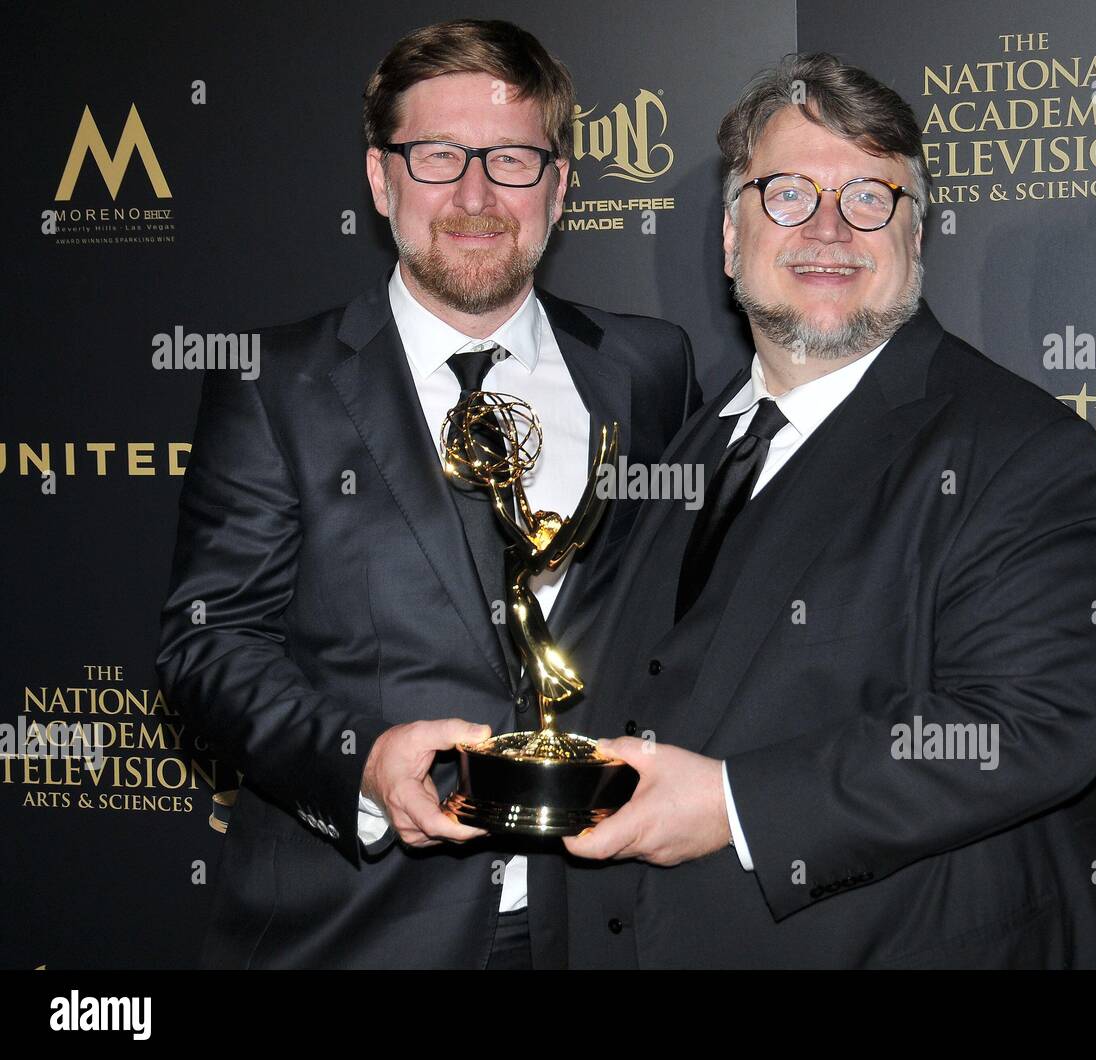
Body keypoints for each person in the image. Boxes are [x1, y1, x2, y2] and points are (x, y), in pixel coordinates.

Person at [530, 52, 1096, 968]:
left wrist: (738, 807)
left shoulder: (1020, 448)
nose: (828, 227)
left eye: (869, 197)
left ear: (916, 238)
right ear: (732, 238)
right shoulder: (692, 444)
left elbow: (1031, 721)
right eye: (787, 195)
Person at [155, 19, 699, 969]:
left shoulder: (649, 367)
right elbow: (210, 643)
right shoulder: (277, 382)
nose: (477, 195)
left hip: (605, 921)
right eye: (439, 155)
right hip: (358, 929)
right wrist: (358, 762)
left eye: (513, 159)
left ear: (561, 186)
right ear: (381, 179)